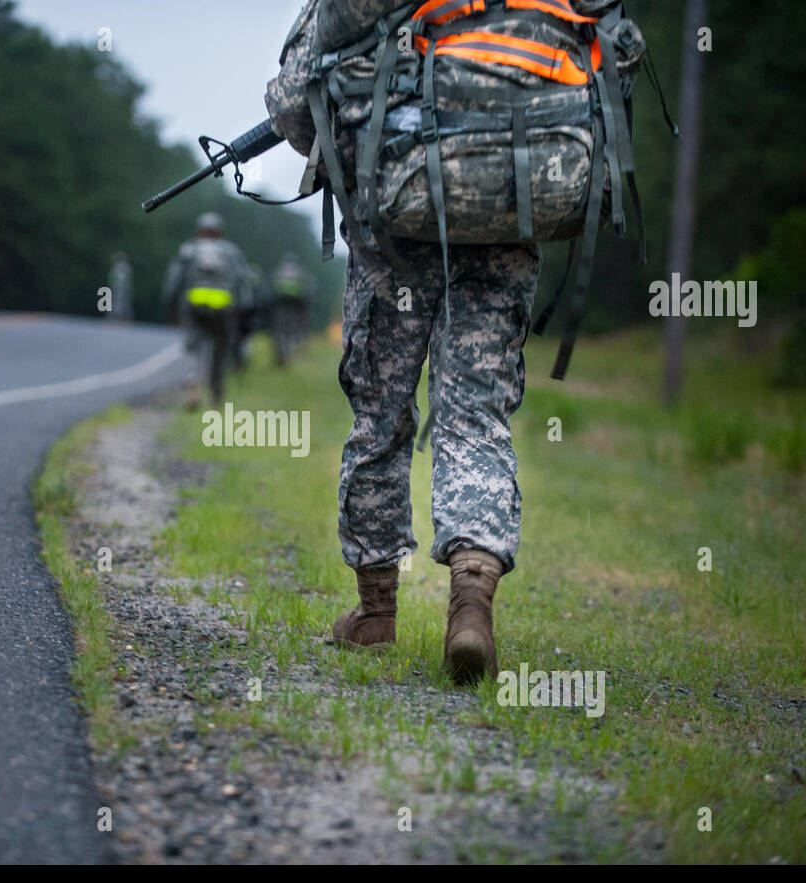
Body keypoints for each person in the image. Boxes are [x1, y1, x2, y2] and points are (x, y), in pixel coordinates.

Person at [266, 2, 541, 684]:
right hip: (505, 210)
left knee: (382, 413)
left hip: (394, 219)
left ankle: (375, 611)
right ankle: (472, 602)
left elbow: (295, 104)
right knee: (476, 413)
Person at [162, 212, 251, 403]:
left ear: (199, 231)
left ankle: (193, 381)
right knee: (220, 350)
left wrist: (171, 307)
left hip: (194, 305)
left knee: (194, 346)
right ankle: (216, 394)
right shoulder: (232, 252)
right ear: (221, 232)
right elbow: (243, 283)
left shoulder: (188, 250)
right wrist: (244, 314)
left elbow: (173, 282)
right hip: (224, 307)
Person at [270, 252, 316, 366]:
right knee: (294, 331)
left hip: (281, 306)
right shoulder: (301, 272)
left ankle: (282, 353)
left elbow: (272, 287)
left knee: (281, 331)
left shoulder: (280, 271)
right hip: (297, 307)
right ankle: (290, 352)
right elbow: (309, 289)